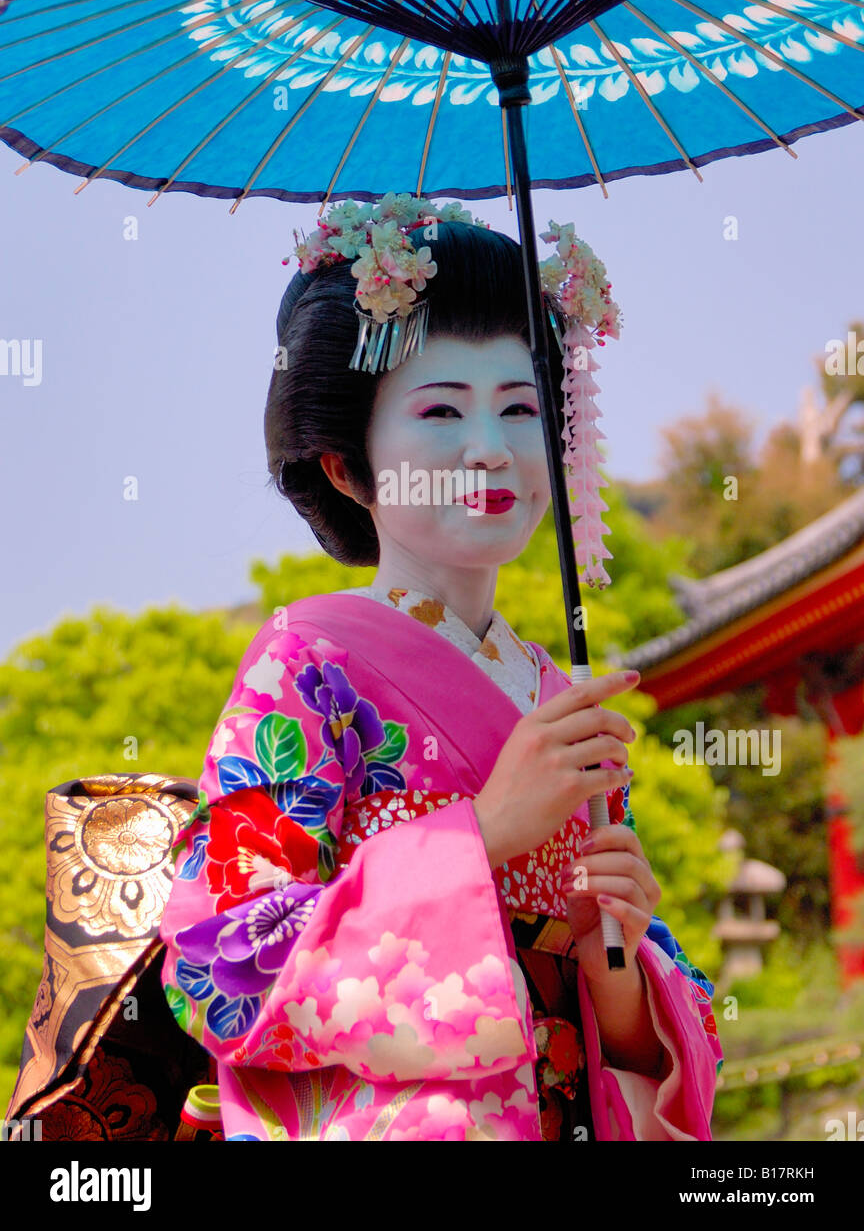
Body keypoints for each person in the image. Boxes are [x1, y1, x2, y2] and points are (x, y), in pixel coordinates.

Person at [159, 208, 722, 1141]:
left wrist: (615, 967)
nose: (491, 448)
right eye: (442, 409)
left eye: (520, 406)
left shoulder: (553, 694)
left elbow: (631, 1030)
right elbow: (220, 961)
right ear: (345, 464)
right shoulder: (307, 666)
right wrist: (486, 834)